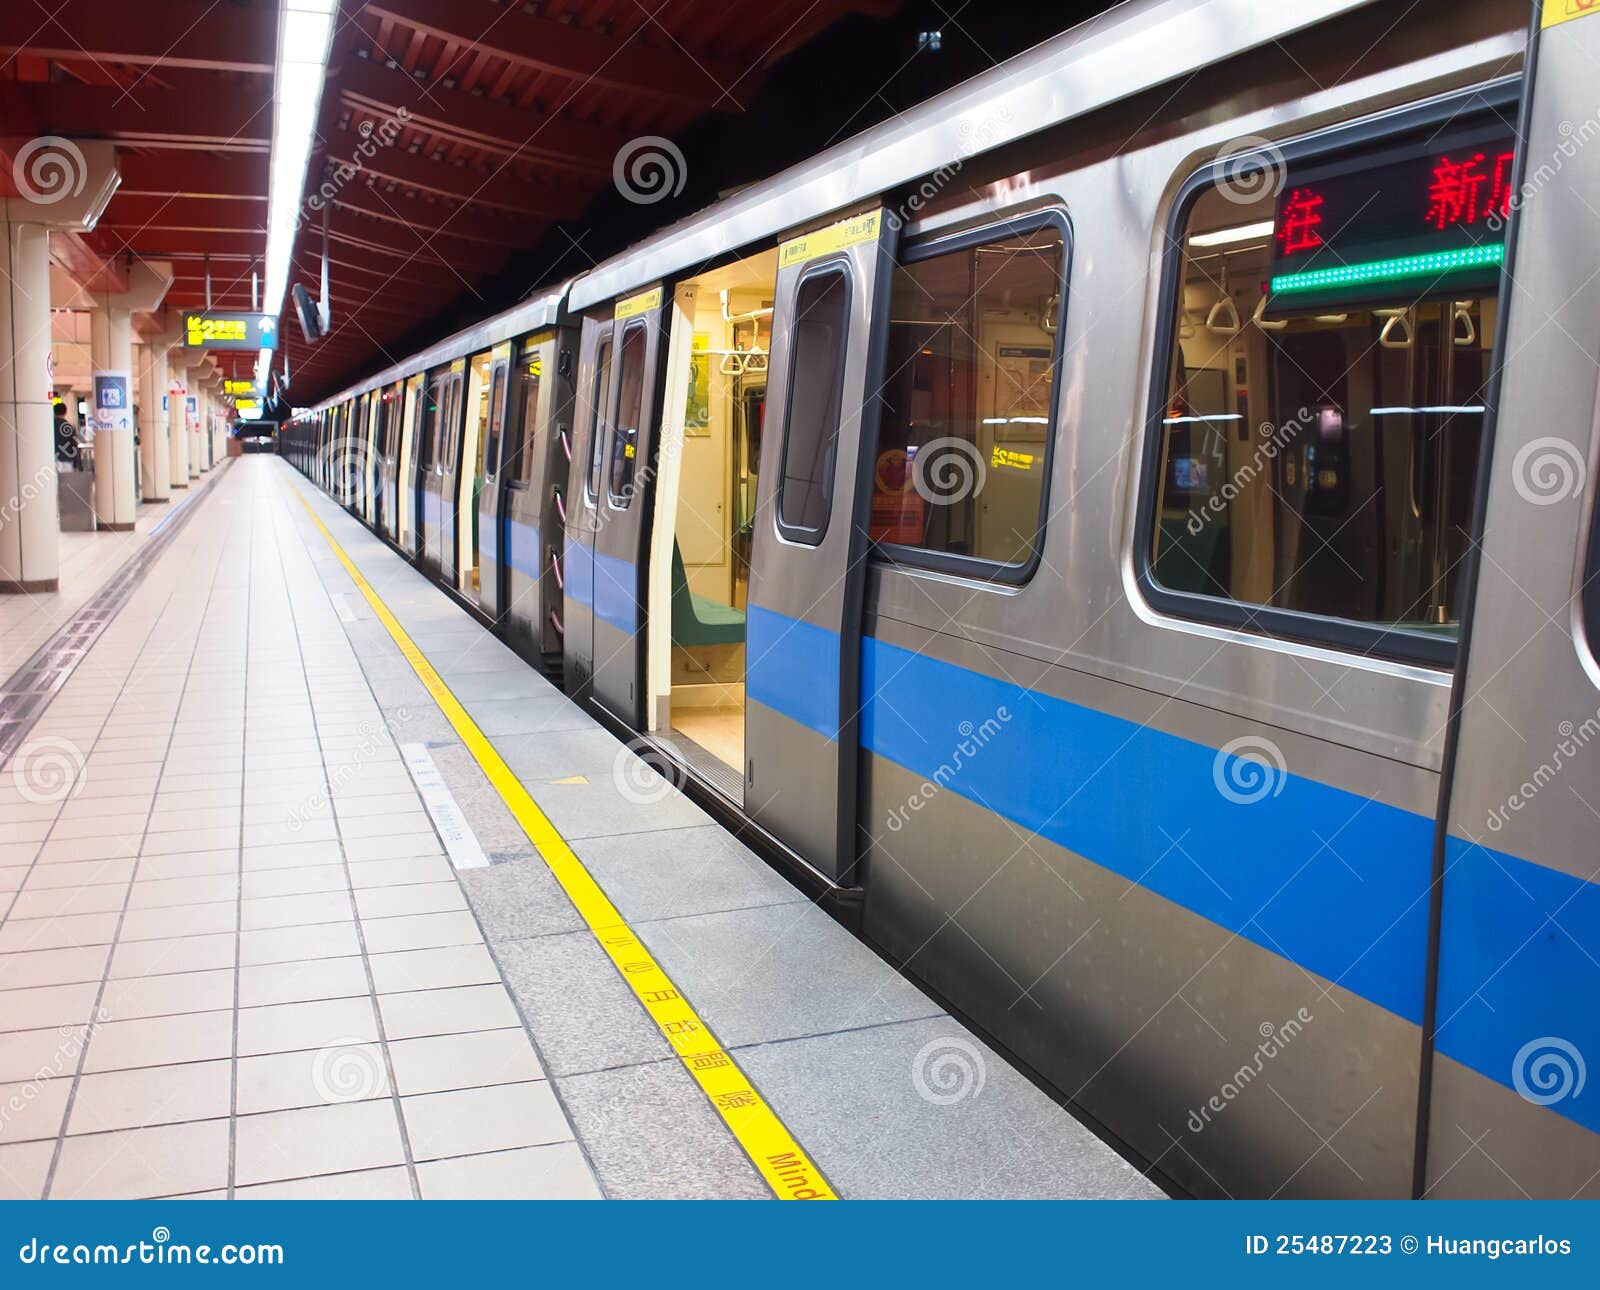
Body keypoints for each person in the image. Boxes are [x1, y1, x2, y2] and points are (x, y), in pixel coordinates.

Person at [53, 399, 78, 468]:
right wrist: (76, 463)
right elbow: (74, 444)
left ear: (54, 412)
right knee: (67, 478)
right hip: (67, 460)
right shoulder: (69, 427)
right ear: (66, 412)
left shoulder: (50, 426)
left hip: (53, 460)